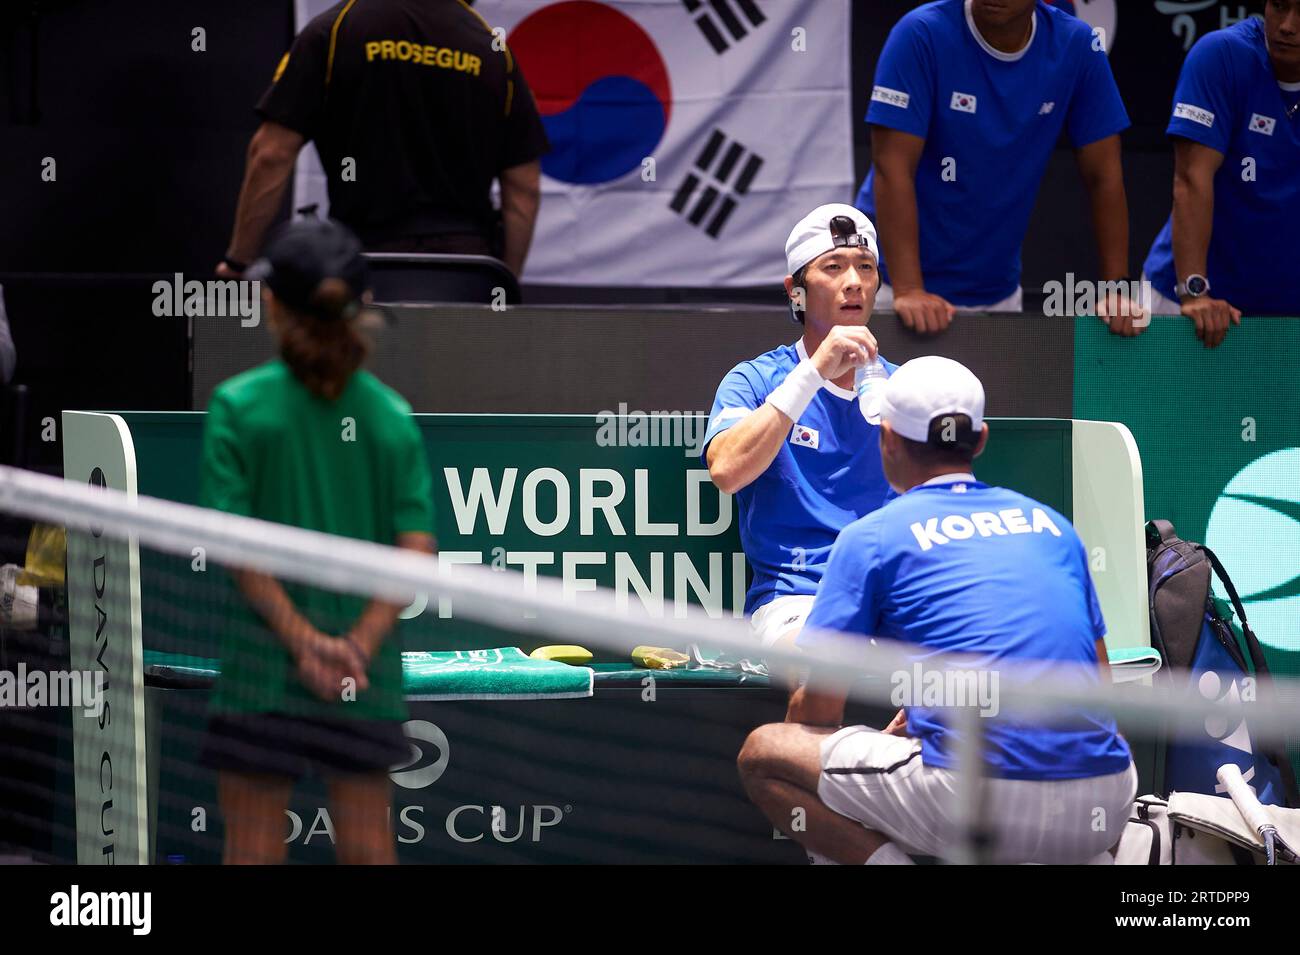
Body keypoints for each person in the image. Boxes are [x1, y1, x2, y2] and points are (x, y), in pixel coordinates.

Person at [737, 356, 1136, 864]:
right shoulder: (1054, 525)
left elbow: (816, 714)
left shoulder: (870, 538)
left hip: (979, 801)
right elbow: (1097, 684)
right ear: (983, 439)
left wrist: (883, 750)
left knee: (767, 755)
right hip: (1104, 798)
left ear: (886, 440)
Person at [200, 217, 437, 864]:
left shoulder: (237, 406)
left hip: (261, 671)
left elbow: (237, 547)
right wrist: (353, 647)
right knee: (368, 851)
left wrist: (304, 645)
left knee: (249, 852)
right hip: (368, 675)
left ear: (270, 303)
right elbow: (416, 553)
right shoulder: (391, 416)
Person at [856, 0, 1147, 335]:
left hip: (997, 292)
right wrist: (909, 290)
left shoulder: (1078, 44)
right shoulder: (920, 33)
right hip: (889, 287)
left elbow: (1104, 175)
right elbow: (893, 167)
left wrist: (1116, 291)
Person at [217, 0, 550, 279]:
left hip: (361, 266)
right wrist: (503, 282)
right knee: (453, 358)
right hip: (466, 269)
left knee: (365, 359)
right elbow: (524, 188)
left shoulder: (333, 31)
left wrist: (238, 262)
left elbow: (271, 154)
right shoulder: (493, 51)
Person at [703, 204, 896, 655]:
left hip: (896, 598)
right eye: (833, 267)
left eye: (866, 268)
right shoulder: (755, 380)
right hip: (798, 601)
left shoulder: (907, 386)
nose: (854, 282)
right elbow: (727, 471)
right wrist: (813, 373)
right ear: (796, 292)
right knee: (822, 661)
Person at [1140, 0, 1300, 347]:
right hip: (1189, 301)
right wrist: (1194, 290)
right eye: (1280, 6)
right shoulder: (1222, 54)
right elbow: (1191, 179)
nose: (1287, 26)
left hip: (1287, 316)